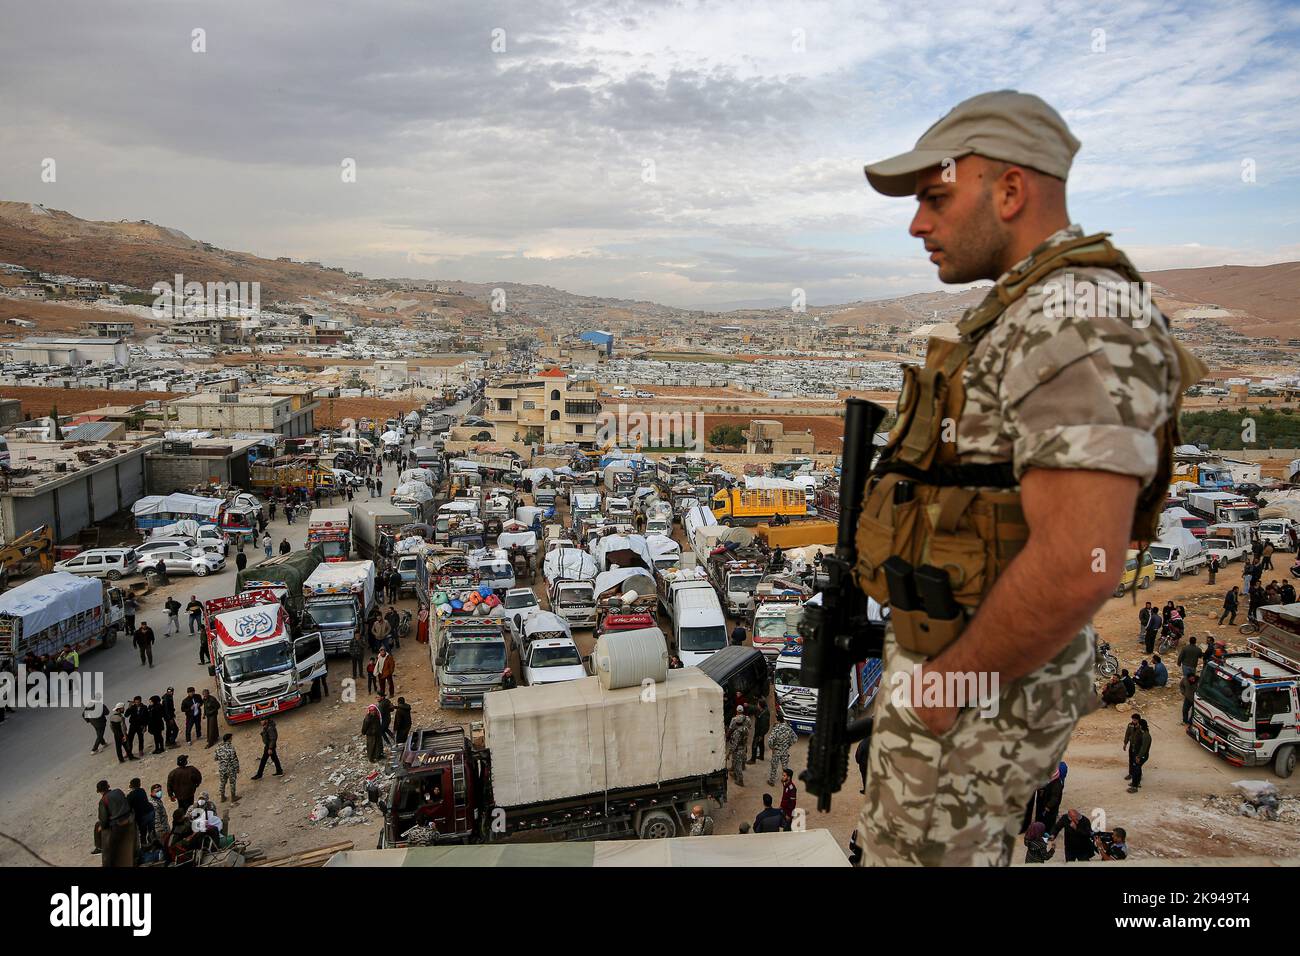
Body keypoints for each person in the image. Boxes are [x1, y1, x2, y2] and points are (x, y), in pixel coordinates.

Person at [855, 92, 1195, 866]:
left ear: (1009, 191)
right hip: (975, 673)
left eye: (936, 198)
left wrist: (946, 691)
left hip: (981, 690)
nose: (918, 223)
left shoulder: (1074, 314)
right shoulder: (1033, 306)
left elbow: (1081, 560)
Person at [95, 780, 136, 867]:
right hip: (129, 818)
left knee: (109, 850)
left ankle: (99, 848)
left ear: (100, 791)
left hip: (117, 825)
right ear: (108, 786)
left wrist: (102, 827)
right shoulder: (118, 791)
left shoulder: (103, 800)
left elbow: (104, 820)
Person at [767, 711, 796, 786]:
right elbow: (795, 738)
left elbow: (770, 740)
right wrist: (788, 745)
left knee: (774, 767)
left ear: (778, 720)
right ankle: (786, 780)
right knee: (785, 767)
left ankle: (771, 781)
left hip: (776, 751)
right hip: (785, 751)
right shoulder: (788, 728)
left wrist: (772, 748)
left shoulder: (776, 728)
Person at [126, 777, 153, 848]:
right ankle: (153, 843)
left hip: (142, 816)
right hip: (150, 812)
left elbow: (128, 807)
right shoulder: (142, 790)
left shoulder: (130, 796)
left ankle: (144, 847)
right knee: (151, 830)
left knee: (143, 833)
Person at [215, 733, 241, 802]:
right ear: (229, 739)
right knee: (232, 782)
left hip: (222, 768)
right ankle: (233, 797)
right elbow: (234, 760)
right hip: (230, 768)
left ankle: (222, 797)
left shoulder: (218, 747)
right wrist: (237, 768)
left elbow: (215, 758)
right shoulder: (231, 748)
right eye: (231, 738)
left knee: (222, 782)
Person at [726, 707, 748, 786]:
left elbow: (734, 745)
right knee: (737, 763)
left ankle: (740, 780)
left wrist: (729, 753)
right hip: (743, 748)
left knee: (737, 765)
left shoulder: (737, 733)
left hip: (738, 750)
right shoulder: (745, 729)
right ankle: (735, 775)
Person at [1129, 719, 1151, 792]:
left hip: (1141, 755)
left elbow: (1143, 748)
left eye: (1138, 724)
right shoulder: (1142, 732)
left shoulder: (1145, 735)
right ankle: (1137, 782)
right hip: (1138, 754)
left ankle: (1134, 787)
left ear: (1141, 725)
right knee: (1137, 768)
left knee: (1136, 770)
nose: (1136, 724)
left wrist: (1139, 757)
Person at [751, 698, 770, 765]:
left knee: (754, 745)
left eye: (758, 704)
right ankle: (761, 756)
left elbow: (764, 726)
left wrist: (761, 735)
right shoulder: (764, 710)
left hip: (759, 732)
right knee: (761, 743)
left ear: (760, 705)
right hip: (760, 731)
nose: (757, 705)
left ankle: (753, 760)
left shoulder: (763, 714)